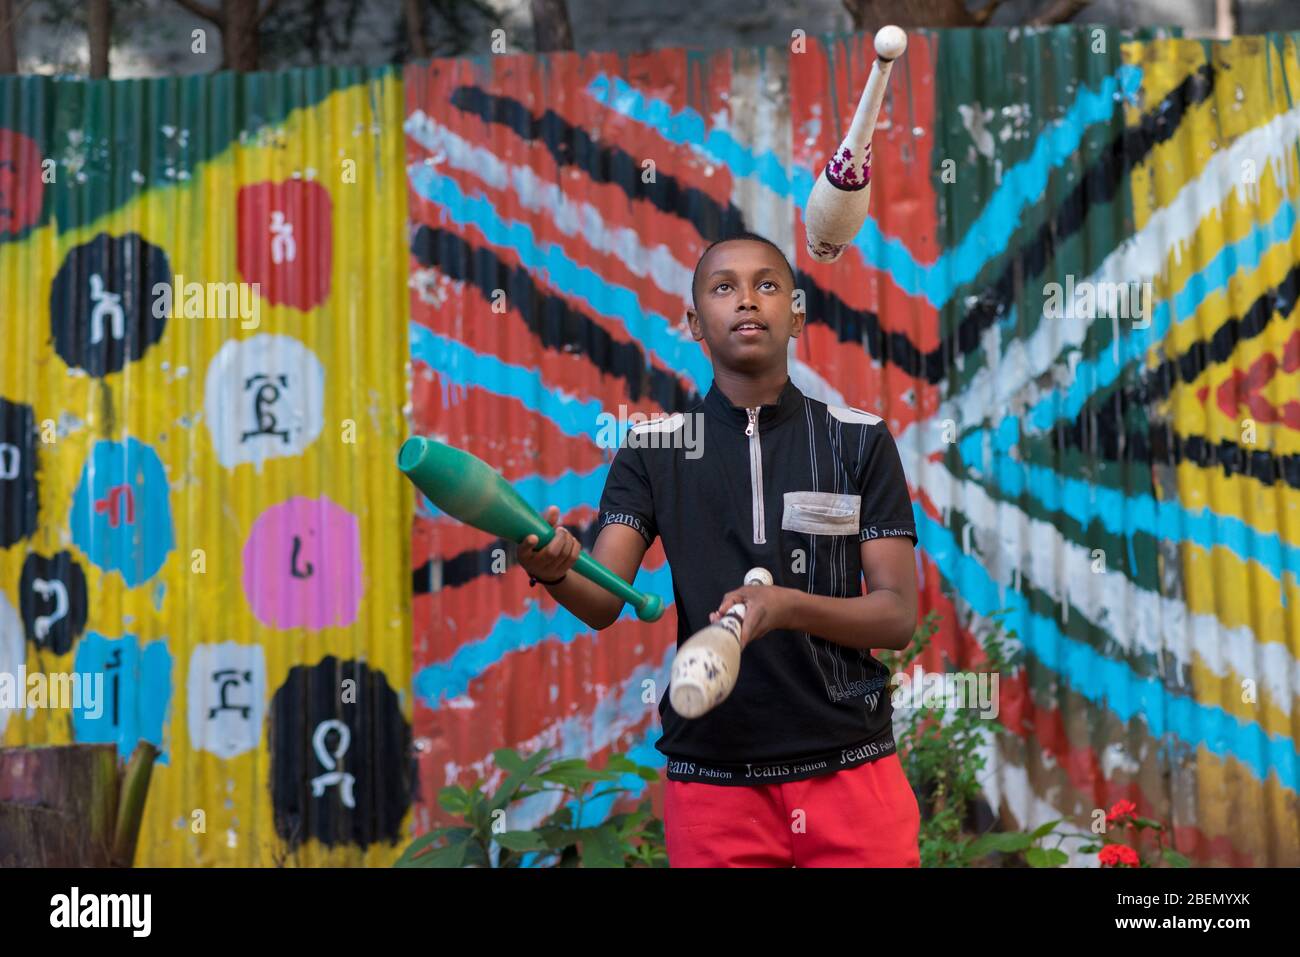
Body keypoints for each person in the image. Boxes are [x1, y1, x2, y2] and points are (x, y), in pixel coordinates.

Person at [518, 232, 921, 867]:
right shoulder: (655, 450)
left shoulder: (860, 441)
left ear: (797, 311)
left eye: (767, 285)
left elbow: (897, 616)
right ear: (694, 321)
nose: (747, 301)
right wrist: (552, 569)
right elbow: (600, 599)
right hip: (714, 782)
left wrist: (785, 607)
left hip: (851, 771)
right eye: (723, 287)